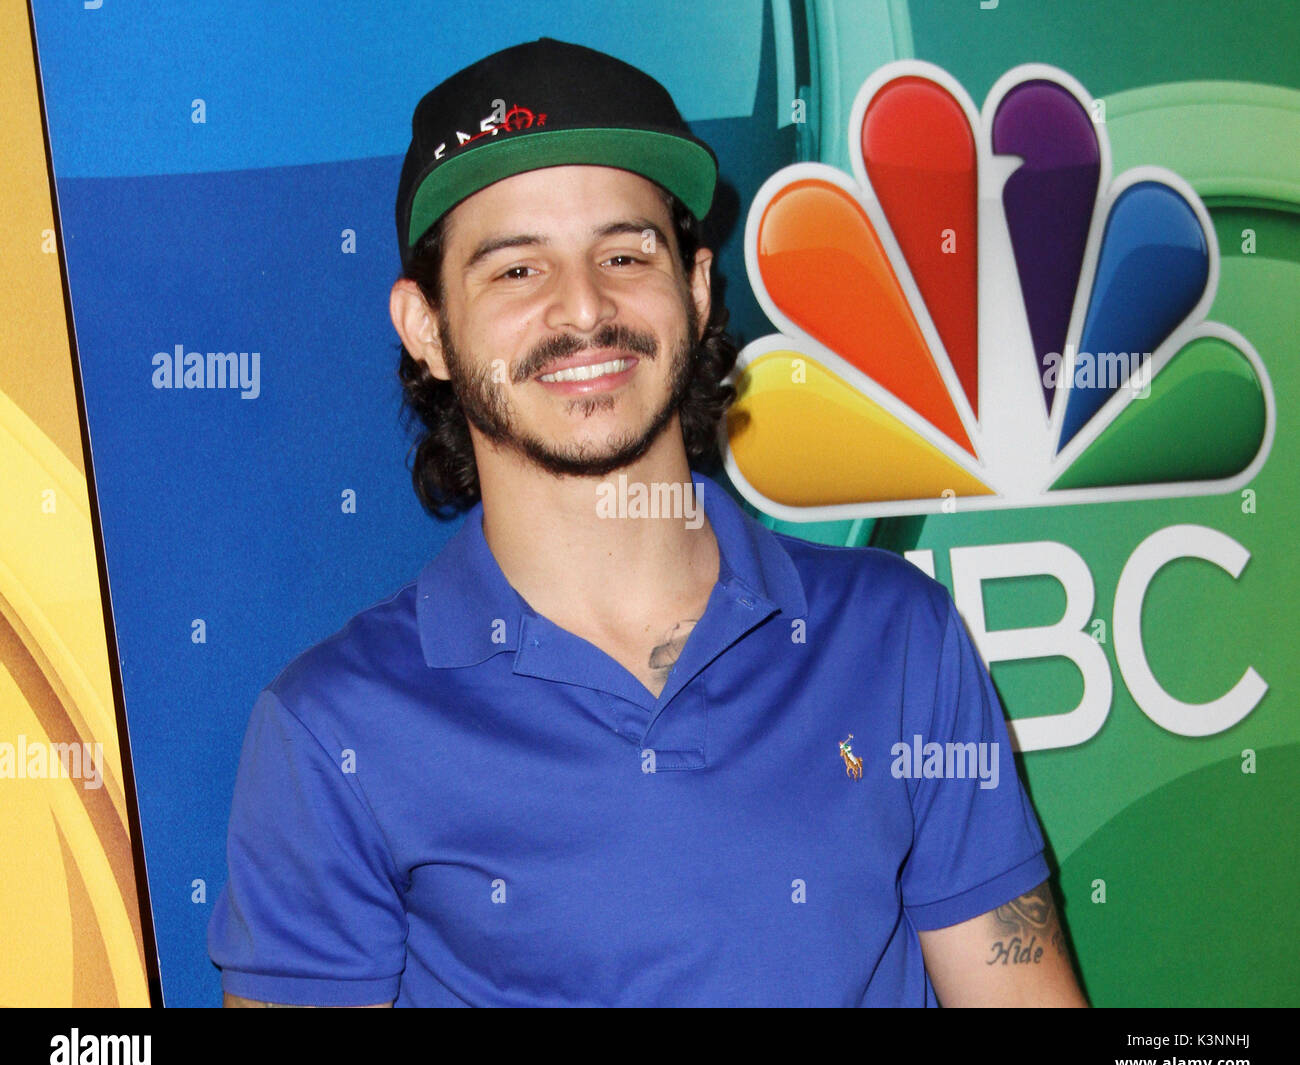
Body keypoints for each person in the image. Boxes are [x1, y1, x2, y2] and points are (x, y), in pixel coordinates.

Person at [208, 36, 1088, 1008]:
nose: (583, 309)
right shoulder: (333, 730)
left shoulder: (895, 636)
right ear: (426, 331)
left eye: (624, 253)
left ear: (697, 289)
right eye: (514, 271)